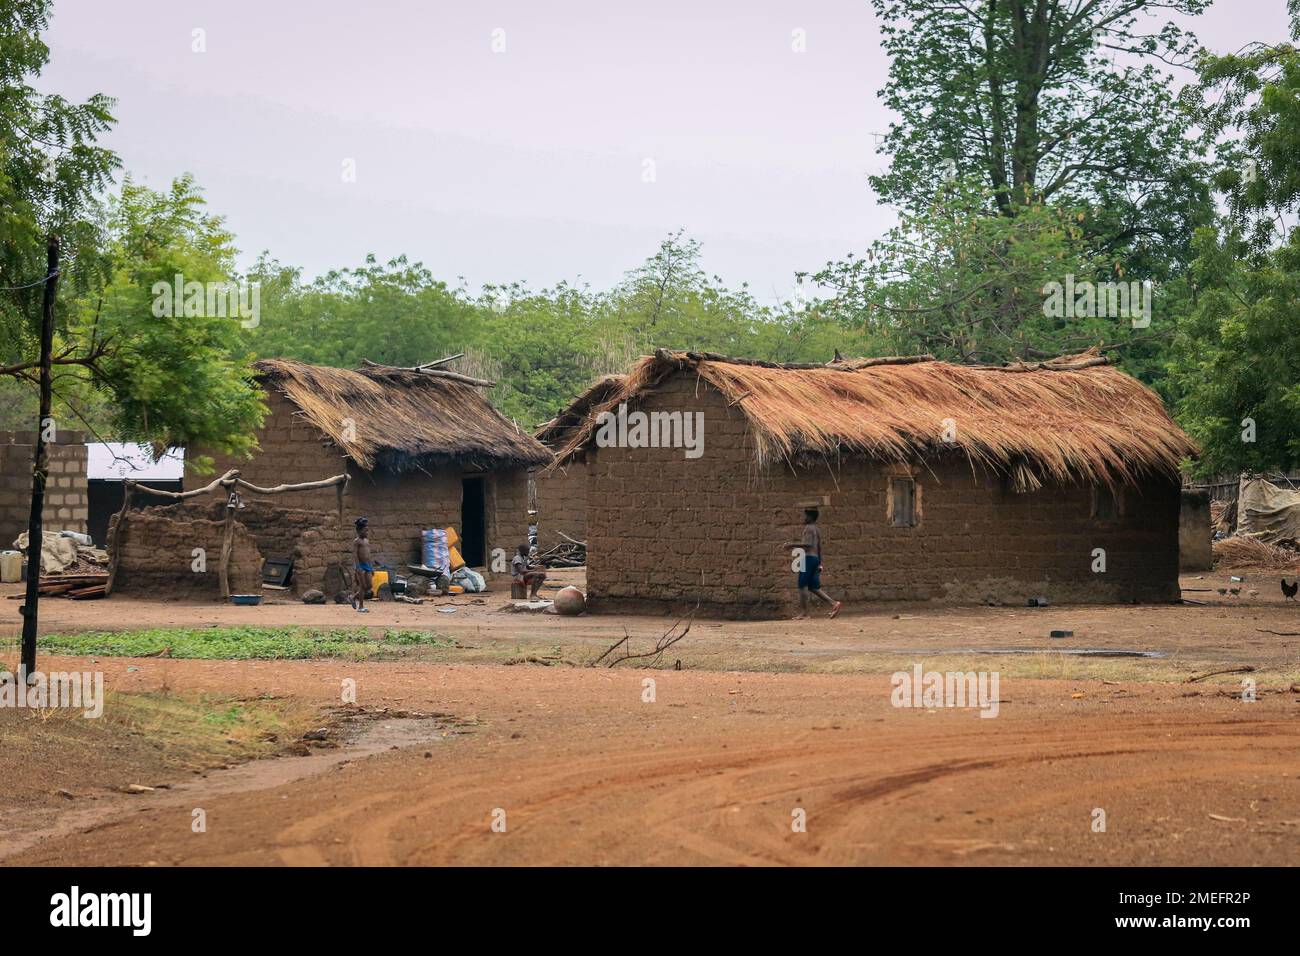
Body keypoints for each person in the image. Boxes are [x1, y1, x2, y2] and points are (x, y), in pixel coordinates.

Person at [784, 508, 842, 620]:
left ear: (810, 517)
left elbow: (808, 544)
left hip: (808, 558)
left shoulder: (809, 528)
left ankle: (804, 613)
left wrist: (791, 545)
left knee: (802, 585)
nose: (803, 518)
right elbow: (819, 547)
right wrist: (820, 562)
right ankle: (834, 603)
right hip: (815, 558)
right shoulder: (817, 529)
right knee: (813, 587)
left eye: (805, 516)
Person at [351, 517, 373, 613]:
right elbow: (355, 555)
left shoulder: (366, 541)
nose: (367, 533)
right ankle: (361, 607)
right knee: (362, 586)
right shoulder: (357, 541)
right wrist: (358, 567)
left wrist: (371, 567)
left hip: (367, 565)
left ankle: (353, 597)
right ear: (359, 531)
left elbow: (368, 555)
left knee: (369, 586)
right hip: (360, 565)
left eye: (367, 531)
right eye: (365, 531)